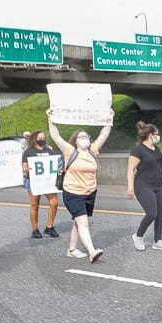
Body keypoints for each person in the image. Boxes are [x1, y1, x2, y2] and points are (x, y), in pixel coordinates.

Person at [47, 110, 111, 262]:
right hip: (73, 193)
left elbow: (103, 135)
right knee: (83, 222)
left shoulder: (92, 151)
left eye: (86, 136)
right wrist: (51, 119)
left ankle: (72, 249)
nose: (84, 139)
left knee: (78, 221)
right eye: (80, 137)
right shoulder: (70, 151)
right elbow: (56, 136)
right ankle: (91, 251)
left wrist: (109, 118)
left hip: (89, 193)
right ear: (75, 141)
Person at [126, 121, 162, 251]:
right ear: (151, 135)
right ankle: (138, 236)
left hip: (159, 184)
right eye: (157, 134)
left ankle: (157, 240)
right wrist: (130, 187)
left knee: (160, 213)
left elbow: (161, 165)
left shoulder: (157, 149)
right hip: (143, 185)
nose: (158, 137)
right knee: (151, 213)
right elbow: (130, 169)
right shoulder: (138, 149)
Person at [22, 129, 60, 239]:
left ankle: (49, 227)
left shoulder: (49, 150)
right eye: (40, 138)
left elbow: (55, 163)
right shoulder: (29, 152)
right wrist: (26, 169)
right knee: (35, 204)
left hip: (48, 181)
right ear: (35, 139)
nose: (42, 139)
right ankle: (35, 229)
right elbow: (24, 166)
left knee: (54, 202)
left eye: (44, 138)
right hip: (34, 181)